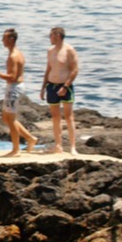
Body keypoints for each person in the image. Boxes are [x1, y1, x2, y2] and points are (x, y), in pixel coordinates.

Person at [0, 28, 32, 156]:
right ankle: (30, 138)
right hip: (13, 87)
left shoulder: (13, 56)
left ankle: (16, 149)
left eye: (4, 38)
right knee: (6, 117)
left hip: (14, 87)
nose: (2, 40)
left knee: (11, 118)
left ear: (11, 39)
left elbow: (12, 77)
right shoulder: (16, 53)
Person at [44, 26, 80, 154]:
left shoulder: (69, 50)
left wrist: (65, 86)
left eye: (51, 35)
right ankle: (58, 145)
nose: (50, 38)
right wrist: (43, 87)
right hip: (52, 86)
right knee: (55, 117)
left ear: (58, 36)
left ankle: (72, 147)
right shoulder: (50, 50)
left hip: (65, 86)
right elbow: (48, 69)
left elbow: (75, 70)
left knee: (69, 116)